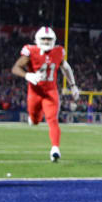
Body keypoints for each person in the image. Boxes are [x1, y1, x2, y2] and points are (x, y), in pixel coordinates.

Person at [11, 26, 80, 162]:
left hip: (50, 91)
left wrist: (73, 85)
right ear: (37, 39)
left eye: (49, 39)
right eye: (44, 38)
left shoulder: (58, 51)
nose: (47, 41)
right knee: (35, 120)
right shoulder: (31, 51)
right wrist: (27, 75)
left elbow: (65, 68)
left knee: (52, 119)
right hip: (35, 92)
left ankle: (55, 149)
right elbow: (15, 68)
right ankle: (34, 118)